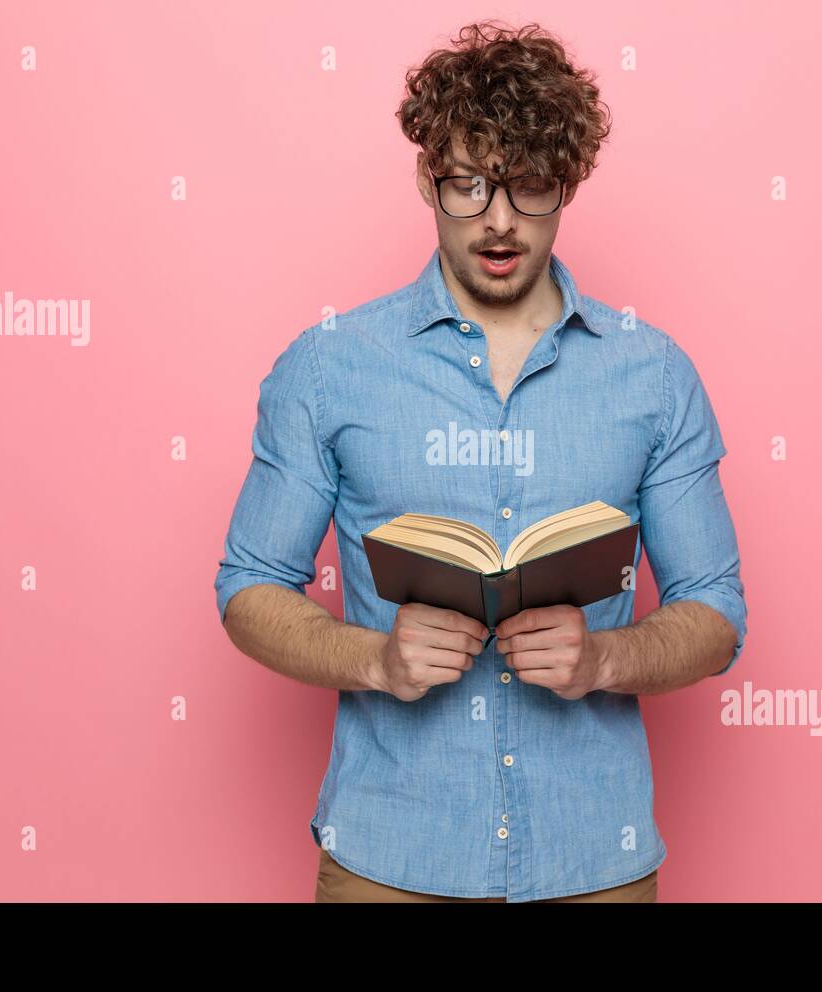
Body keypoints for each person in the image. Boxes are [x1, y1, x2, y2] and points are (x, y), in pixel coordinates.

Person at [215, 20, 747, 903]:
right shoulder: (329, 366)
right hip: (390, 858)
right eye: (468, 184)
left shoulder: (652, 374)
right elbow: (248, 588)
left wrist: (605, 661)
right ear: (429, 180)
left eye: (529, 185)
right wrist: (374, 660)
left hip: (594, 862)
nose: (498, 220)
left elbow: (717, 610)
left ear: (565, 185)